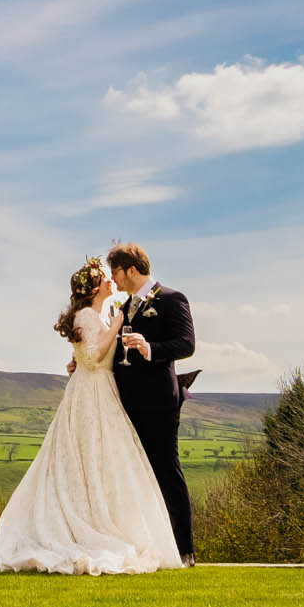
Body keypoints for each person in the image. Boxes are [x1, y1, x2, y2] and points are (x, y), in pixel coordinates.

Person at [0, 257, 183, 574]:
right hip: (89, 393)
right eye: (103, 278)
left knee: (104, 463)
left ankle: (105, 519)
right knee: (85, 458)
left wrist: (109, 330)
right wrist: (117, 326)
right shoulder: (87, 315)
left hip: (103, 391)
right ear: (94, 287)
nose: (110, 280)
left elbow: (87, 355)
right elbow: (93, 358)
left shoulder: (101, 313)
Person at [103, 241, 196, 564]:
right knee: (133, 477)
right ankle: (146, 547)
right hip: (126, 405)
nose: (112, 278)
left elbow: (186, 344)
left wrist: (149, 347)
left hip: (158, 403)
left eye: (114, 271)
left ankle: (184, 550)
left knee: (166, 473)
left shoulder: (171, 299)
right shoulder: (124, 306)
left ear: (131, 269)